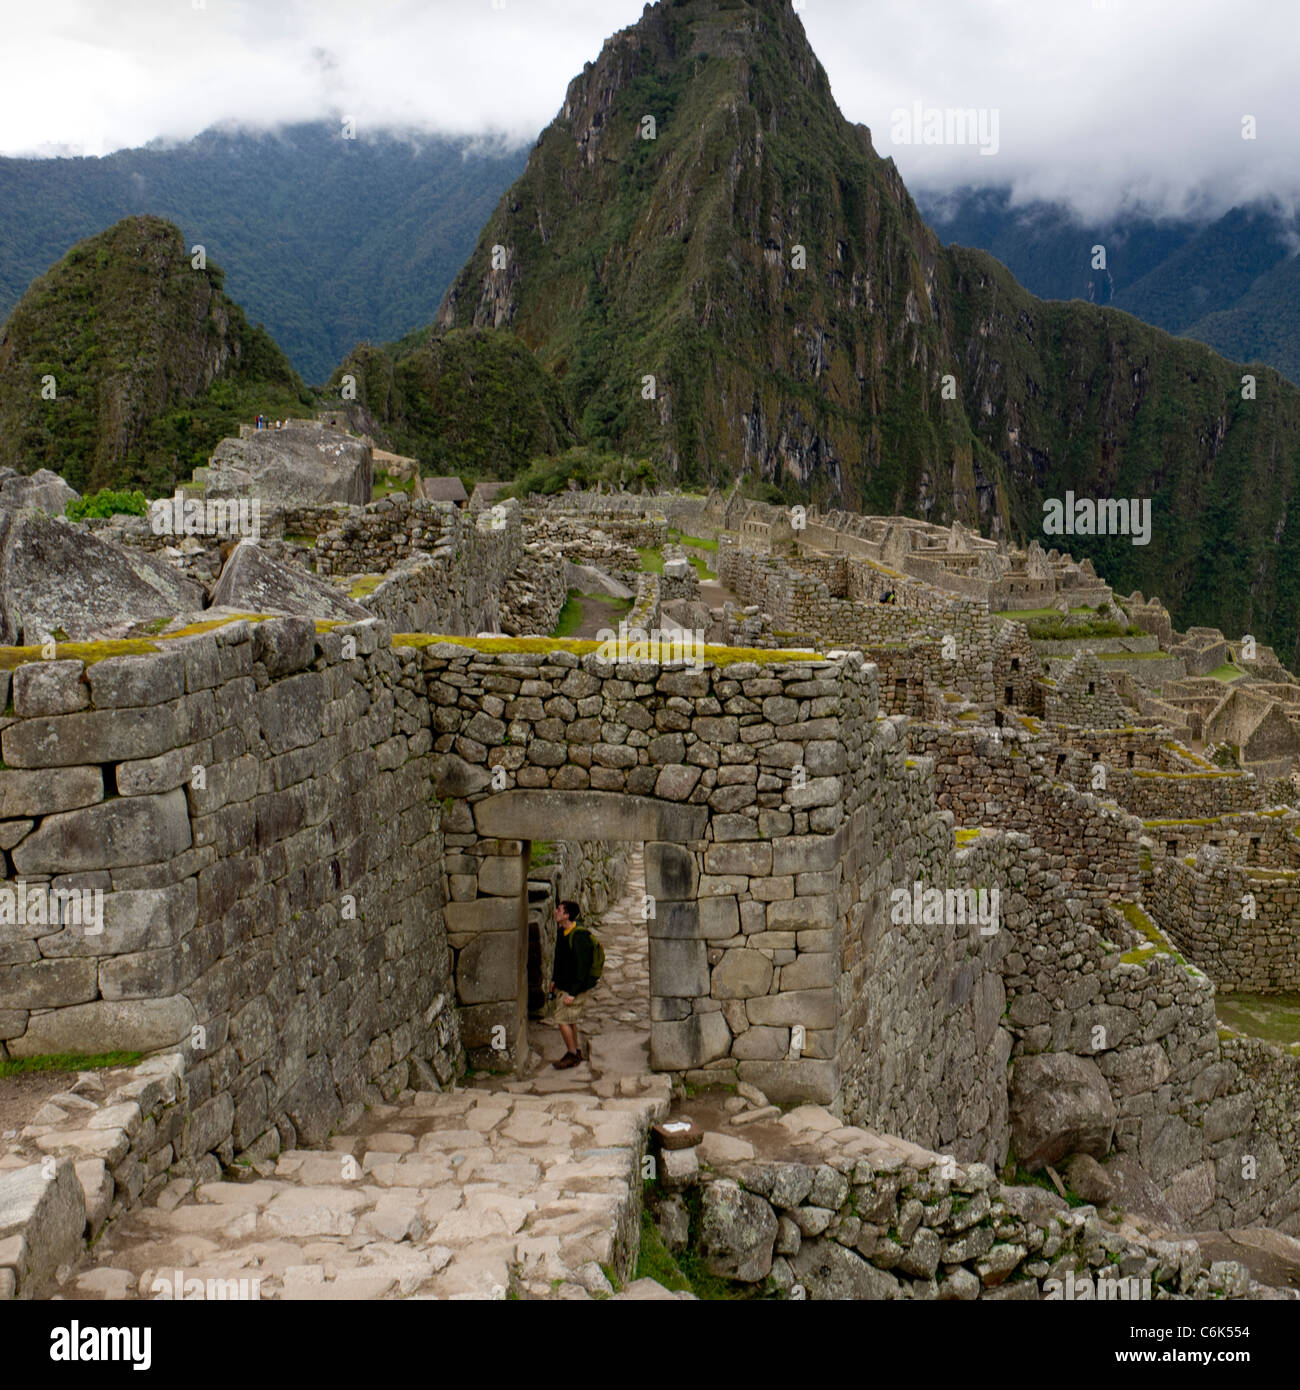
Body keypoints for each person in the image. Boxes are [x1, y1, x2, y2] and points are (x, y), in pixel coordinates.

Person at [549, 899, 594, 1069]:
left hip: (573, 988)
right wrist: (554, 980)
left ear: (567, 914)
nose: (555, 912)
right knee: (571, 1020)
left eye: (559, 910)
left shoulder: (578, 937)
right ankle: (576, 1051)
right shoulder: (562, 933)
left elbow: (583, 968)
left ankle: (572, 1054)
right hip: (563, 984)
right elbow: (558, 960)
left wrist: (573, 993)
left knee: (561, 1020)